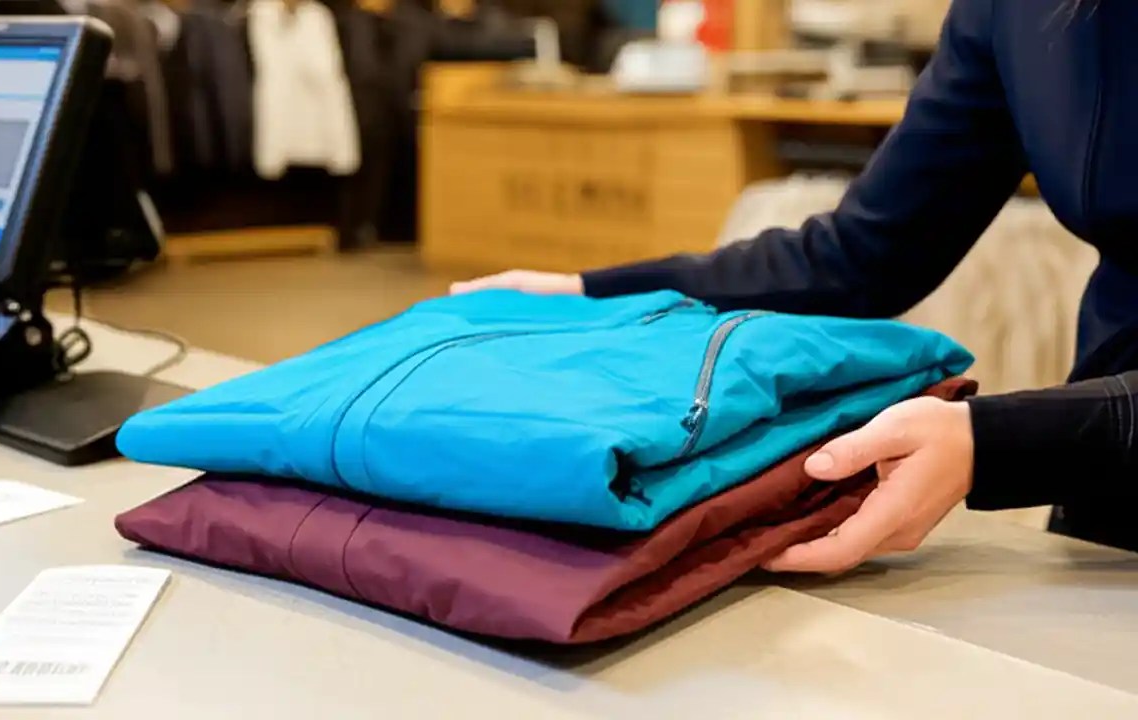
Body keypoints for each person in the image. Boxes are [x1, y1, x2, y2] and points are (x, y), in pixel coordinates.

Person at [450, 0, 1138, 572]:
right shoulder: (1014, 14)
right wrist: (596, 291)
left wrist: (997, 443)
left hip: (1092, 435)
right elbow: (860, 255)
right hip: (1100, 474)